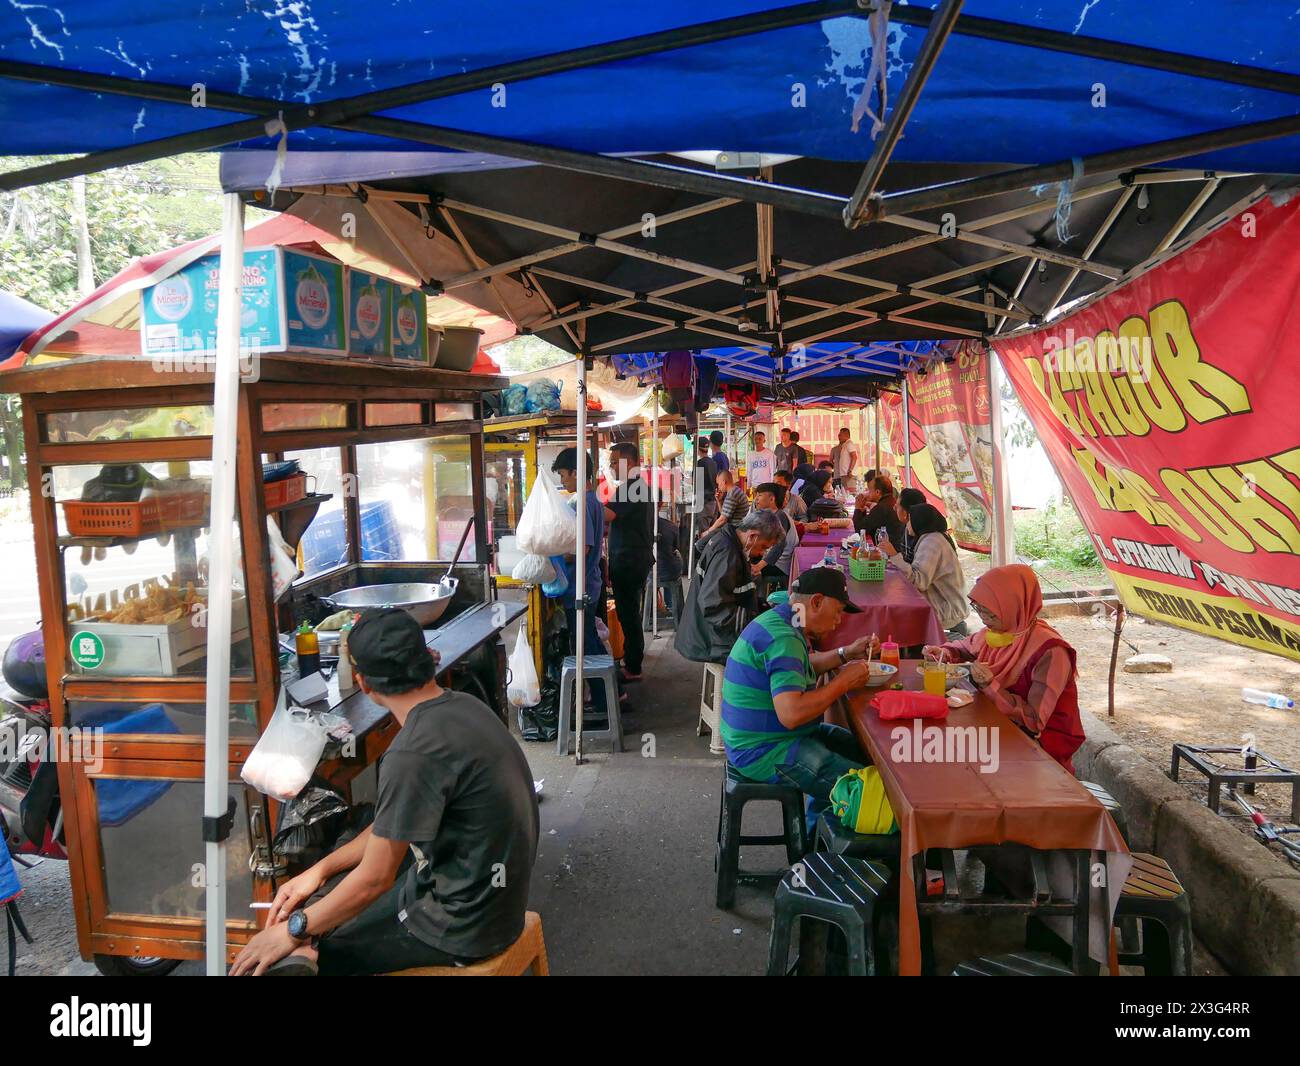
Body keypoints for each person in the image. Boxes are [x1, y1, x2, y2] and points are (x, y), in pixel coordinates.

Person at [230, 608, 539, 976]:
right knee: (329, 893)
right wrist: (320, 870)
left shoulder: (412, 752)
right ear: (428, 659)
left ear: (362, 683)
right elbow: (390, 826)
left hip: (463, 929)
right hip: (492, 904)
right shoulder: (464, 706)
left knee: (303, 952)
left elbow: (374, 879)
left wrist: (295, 929)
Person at [722, 567, 892, 831]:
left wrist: (846, 653)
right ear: (816, 602)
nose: (838, 622)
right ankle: (835, 859)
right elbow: (792, 714)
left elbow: (796, 669)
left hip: (764, 738)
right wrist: (843, 681)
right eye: (837, 612)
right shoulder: (785, 637)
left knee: (865, 752)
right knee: (867, 788)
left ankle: (818, 835)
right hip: (764, 749)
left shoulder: (781, 621)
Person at [926, 564, 1085, 774]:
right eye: (979, 608)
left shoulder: (1050, 652)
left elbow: (1033, 720)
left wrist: (991, 686)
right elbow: (963, 647)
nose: (983, 618)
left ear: (1013, 606)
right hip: (998, 728)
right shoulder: (999, 632)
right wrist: (944, 652)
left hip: (1039, 750)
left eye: (990, 612)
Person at [675, 508, 783, 664]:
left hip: (708, 630)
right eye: (764, 547)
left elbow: (731, 592)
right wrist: (754, 619)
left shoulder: (731, 541)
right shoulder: (727, 553)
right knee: (770, 652)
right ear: (752, 536)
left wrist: (761, 608)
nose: (762, 553)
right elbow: (713, 605)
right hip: (710, 638)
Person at [551, 448, 613, 714]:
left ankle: (604, 700)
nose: (563, 481)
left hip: (582, 586)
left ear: (576, 472)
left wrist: (553, 557)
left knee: (587, 643)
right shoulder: (592, 500)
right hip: (590, 582)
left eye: (564, 475)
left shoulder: (584, 503)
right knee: (590, 640)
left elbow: (583, 548)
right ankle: (612, 693)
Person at [604, 441, 654, 682]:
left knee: (629, 613)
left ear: (631, 462)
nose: (612, 466)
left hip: (629, 560)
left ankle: (633, 666)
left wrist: (584, 502)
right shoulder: (635, 487)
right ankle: (631, 659)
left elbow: (608, 514)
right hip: (632, 557)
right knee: (629, 611)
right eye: (611, 462)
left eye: (615, 461)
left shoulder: (632, 488)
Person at [879, 503, 968, 636]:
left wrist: (894, 555)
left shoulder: (932, 542)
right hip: (942, 601)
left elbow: (919, 581)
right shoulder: (929, 538)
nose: (907, 524)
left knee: (894, 610)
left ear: (918, 521)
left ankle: (905, 648)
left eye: (909, 520)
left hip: (947, 608)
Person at [752, 481, 798, 589]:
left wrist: (758, 566)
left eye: (760, 495)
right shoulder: (769, 516)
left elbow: (779, 547)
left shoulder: (780, 517)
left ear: (772, 499)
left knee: (741, 569)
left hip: (780, 564)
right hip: (772, 560)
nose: (756, 499)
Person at [697, 468, 749, 545]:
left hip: (734, 529)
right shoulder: (734, 491)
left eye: (718, 484)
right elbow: (724, 514)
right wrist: (719, 500)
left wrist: (707, 532)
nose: (718, 487)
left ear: (724, 482)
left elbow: (723, 519)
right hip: (732, 527)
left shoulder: (732, 494)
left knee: (700, 544)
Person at [853, 475, 904, 547]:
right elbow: (867, 524)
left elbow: (860, 530)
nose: (867, 493)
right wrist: (862, 509)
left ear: (877, 492)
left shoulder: (881, 508)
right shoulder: (891, 501)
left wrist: (858, 508)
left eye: (869, 490)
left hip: (889, 551)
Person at [895, 487, 926, 562]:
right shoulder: (907, 527)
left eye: (897, 506)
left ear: (905, 513)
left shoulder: (926, 536)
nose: (894, 507)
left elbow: (916, 571)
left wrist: (893, 555)